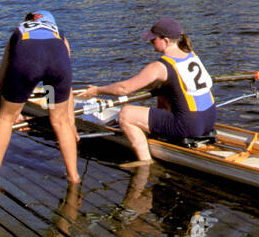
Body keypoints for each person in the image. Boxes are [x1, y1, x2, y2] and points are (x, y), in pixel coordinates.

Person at [75, 18, 214, 164]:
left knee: (126, 113)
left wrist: (97, 90)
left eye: (153, 40)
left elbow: (124, 88)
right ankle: (160, 133)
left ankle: (145, 162)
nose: (150, 42)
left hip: (188, 125)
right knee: (164, 92)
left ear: (165, 40)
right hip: (209, 120)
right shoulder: (191, 55)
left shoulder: (160, 66)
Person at [0, 10, 80, 189]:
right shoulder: (59, 34)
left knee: (6, 119)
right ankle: (74, 176)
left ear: (29, 20)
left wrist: (5, 101)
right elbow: (66, 84)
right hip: (57, 69)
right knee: (60, 122)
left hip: (27, 62)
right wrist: (71, 124)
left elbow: (2, 74)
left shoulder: (19, 32)